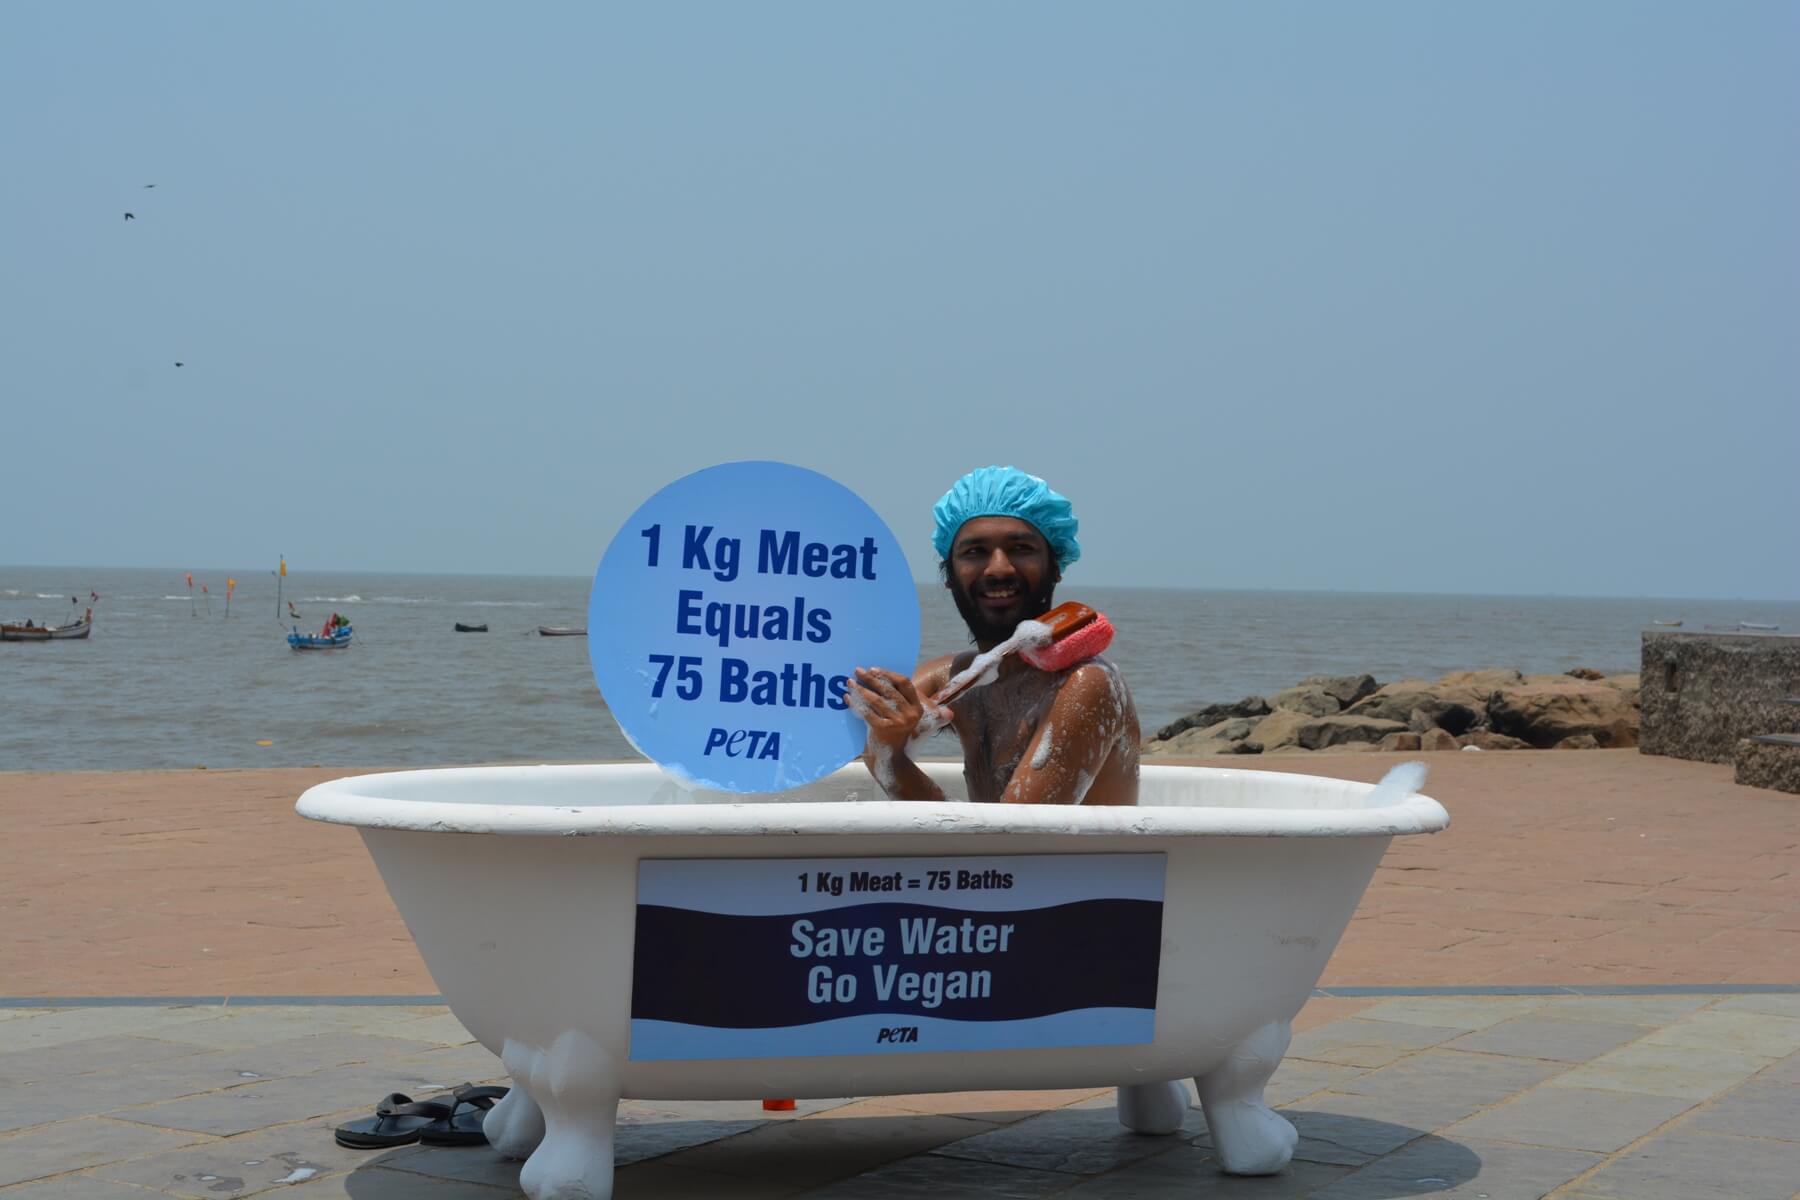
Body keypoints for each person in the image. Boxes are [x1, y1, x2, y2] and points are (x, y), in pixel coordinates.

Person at [849, 465, 1139, 805]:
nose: (999, 568)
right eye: (975, 552)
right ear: (949, 574)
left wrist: (891, 761)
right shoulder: (960, 677)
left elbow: (1009, 843)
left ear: (1056, 567)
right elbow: (866, 709)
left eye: (1020, 548)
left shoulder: (1086, 685)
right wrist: (888, 731)